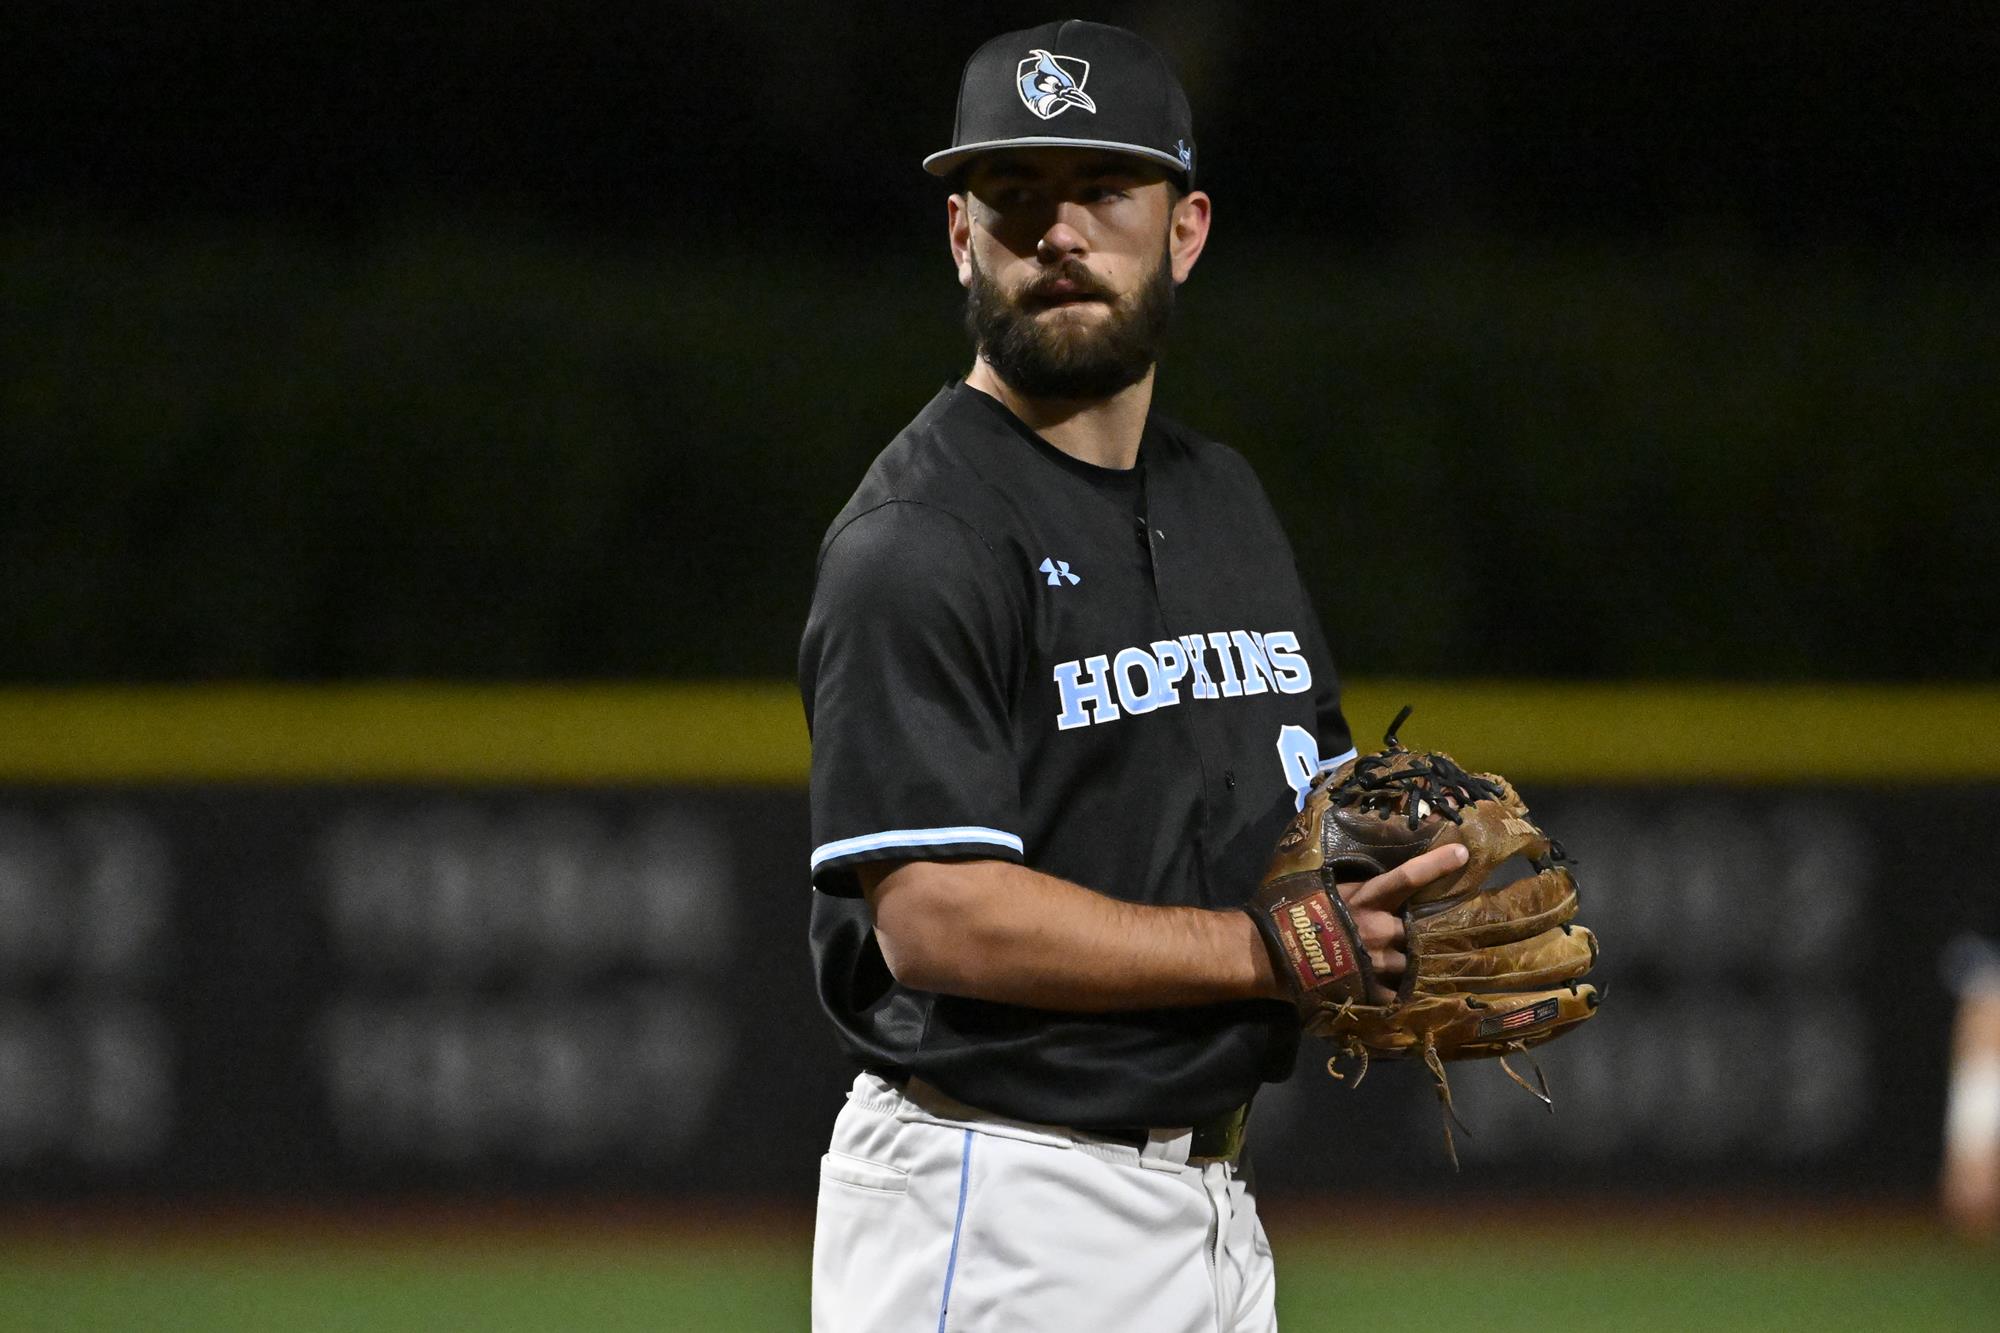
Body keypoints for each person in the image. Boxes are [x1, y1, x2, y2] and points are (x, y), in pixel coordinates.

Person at [798, 21, 1468, 1331]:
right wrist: (1266, 949)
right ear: (960, 238)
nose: (1061, 232)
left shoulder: (1226, 503)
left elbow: (1295, 805)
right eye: (1016, 197)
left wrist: (1383, 876)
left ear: (1186, 229)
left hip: (1210, 1203)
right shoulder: (918, 536)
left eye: (1104, 189)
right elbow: (936, 915)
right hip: (995, 1201)